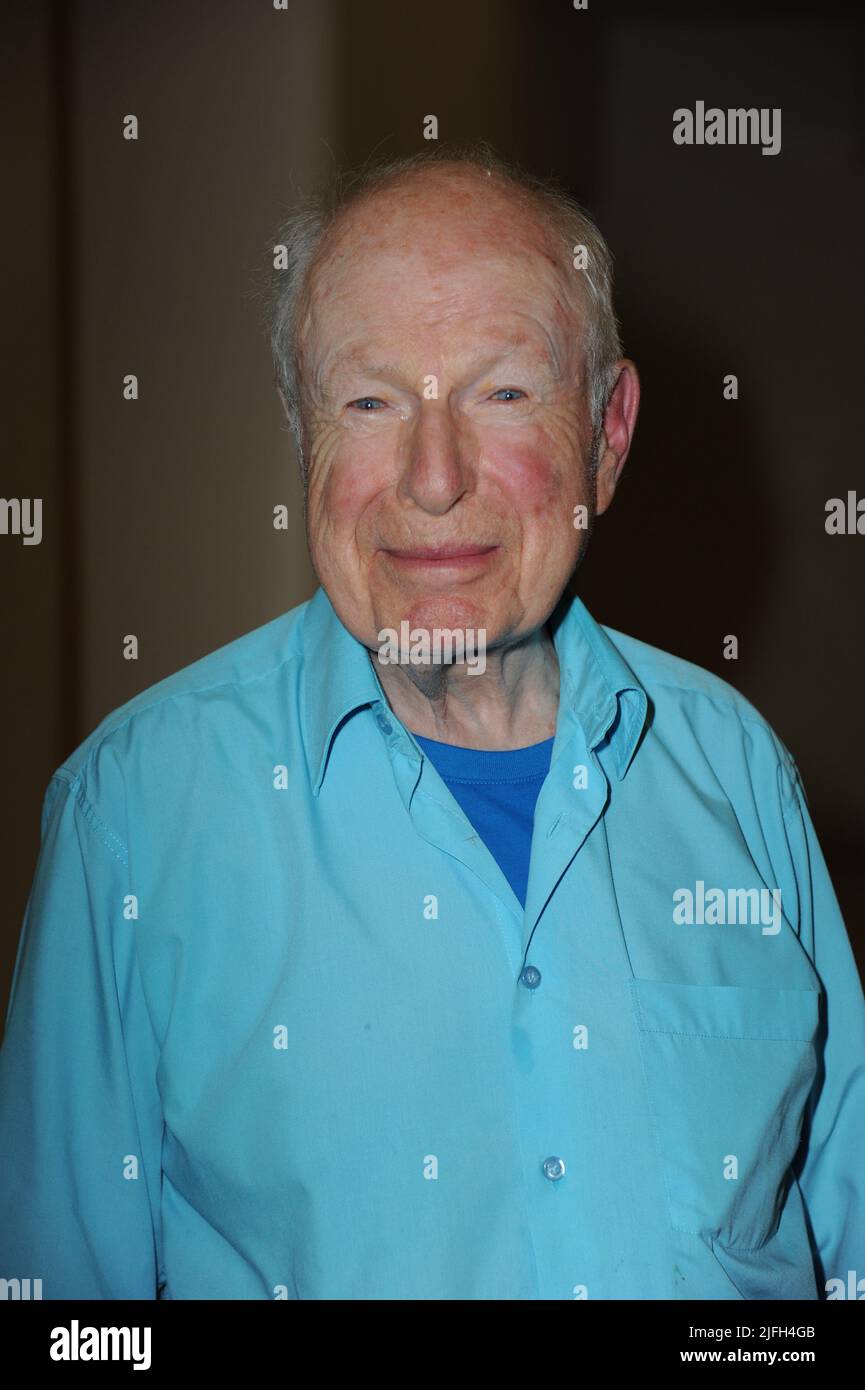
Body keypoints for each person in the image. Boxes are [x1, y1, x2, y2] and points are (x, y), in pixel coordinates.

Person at [1, 143, 863, 1300]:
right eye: (367, 399)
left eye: (503, 391)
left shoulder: (738, 770)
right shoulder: (135, 818)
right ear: (302, 432)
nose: (434, 475)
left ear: (606, 438)